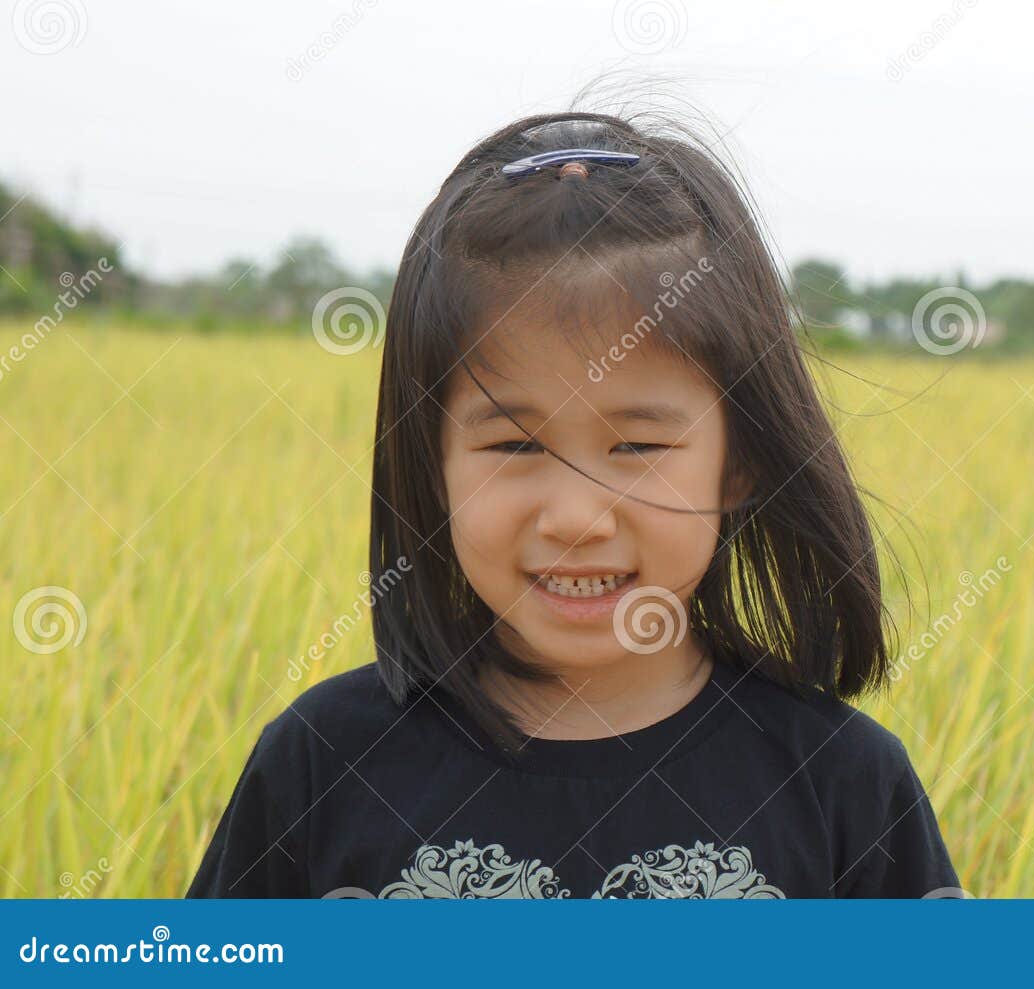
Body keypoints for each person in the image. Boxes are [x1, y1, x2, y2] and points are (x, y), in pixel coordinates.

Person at [186, 107, 962, 899]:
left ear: (739, 461)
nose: (576, 516)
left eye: (640, 446)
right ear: (433, 460)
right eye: (514, 446)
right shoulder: (323, 765)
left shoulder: (842, 784)